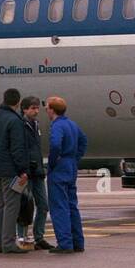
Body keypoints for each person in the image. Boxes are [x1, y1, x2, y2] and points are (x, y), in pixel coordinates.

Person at [0, 88, 30, 255]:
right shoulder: (15, 121)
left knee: (0, 204)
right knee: (12, 204)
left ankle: (0, 243)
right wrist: (23, 170)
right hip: (10, 169)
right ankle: (8, 243)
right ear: (18, 102)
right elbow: (17, 148)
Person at [46, 96, 88, 254]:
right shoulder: (72, 124)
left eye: (47, 108)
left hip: (60, 166)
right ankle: (78, 242)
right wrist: (75, 158)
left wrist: (52, 162)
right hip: (70, 165)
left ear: (52, 109)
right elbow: (83, 141)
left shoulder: (57, 126)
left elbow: (55, 144)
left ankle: (65, 243)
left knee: (59, 206)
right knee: (72, 204)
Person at [15, 96, 54, 251]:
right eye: (32, 108)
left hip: (37, 171)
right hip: (25, 172)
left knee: (43, 205)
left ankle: (39, 237)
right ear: (24, 109)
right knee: (24, 205)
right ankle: (21, 236)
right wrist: (22, 169)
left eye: (37, 108)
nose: (36, 111)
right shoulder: (19, 125)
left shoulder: (36, 124)